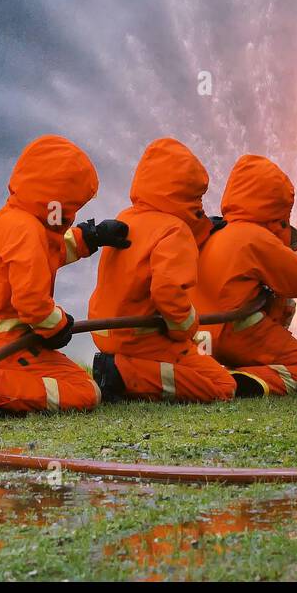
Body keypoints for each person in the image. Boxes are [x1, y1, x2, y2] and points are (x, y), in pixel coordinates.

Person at [0, 135, 131, 418]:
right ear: (57, 199)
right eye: (73, 205)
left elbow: (49, 253)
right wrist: (59, 326)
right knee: (84, 392)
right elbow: (32, 303)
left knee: (74, 380)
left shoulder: (12, 218)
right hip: (11, 345)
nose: (74, 212)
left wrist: (92, 236)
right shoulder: (26, 232)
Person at [89, 138, 237, 402]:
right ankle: (123, 374)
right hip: (142, 340)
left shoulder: (127, 217)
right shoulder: (174, 231)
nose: (200, 204)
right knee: (222, 385)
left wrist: (204, 228)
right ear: (183, 194)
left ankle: (122, 369)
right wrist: (186, 330)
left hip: (106, 335)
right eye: (197, 197)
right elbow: (167, 291)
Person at [195, 154, 297, 397]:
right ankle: (242, 382)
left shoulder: (216, 232)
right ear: (276, 204)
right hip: (239, 333)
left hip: (201, 337)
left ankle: (229, 373)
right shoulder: (257, 238)